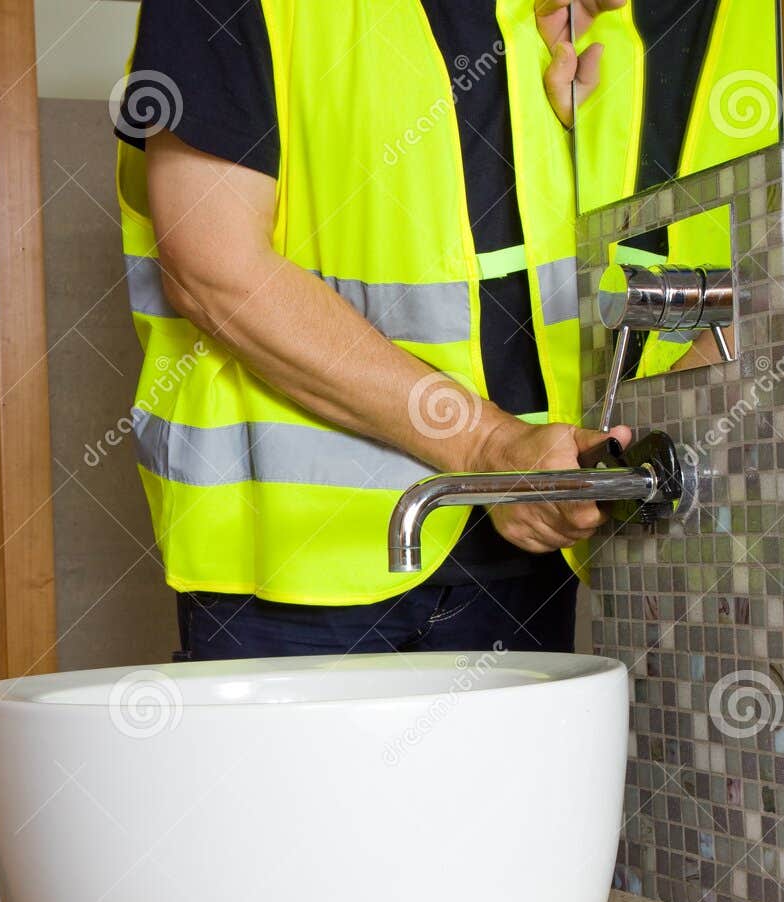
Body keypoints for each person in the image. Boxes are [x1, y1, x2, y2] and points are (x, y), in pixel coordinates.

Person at [115, 0, 630, 661]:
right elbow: (213, 271)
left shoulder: (563, 19)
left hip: (535, 551)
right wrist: (485, 446)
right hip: (296, 573)